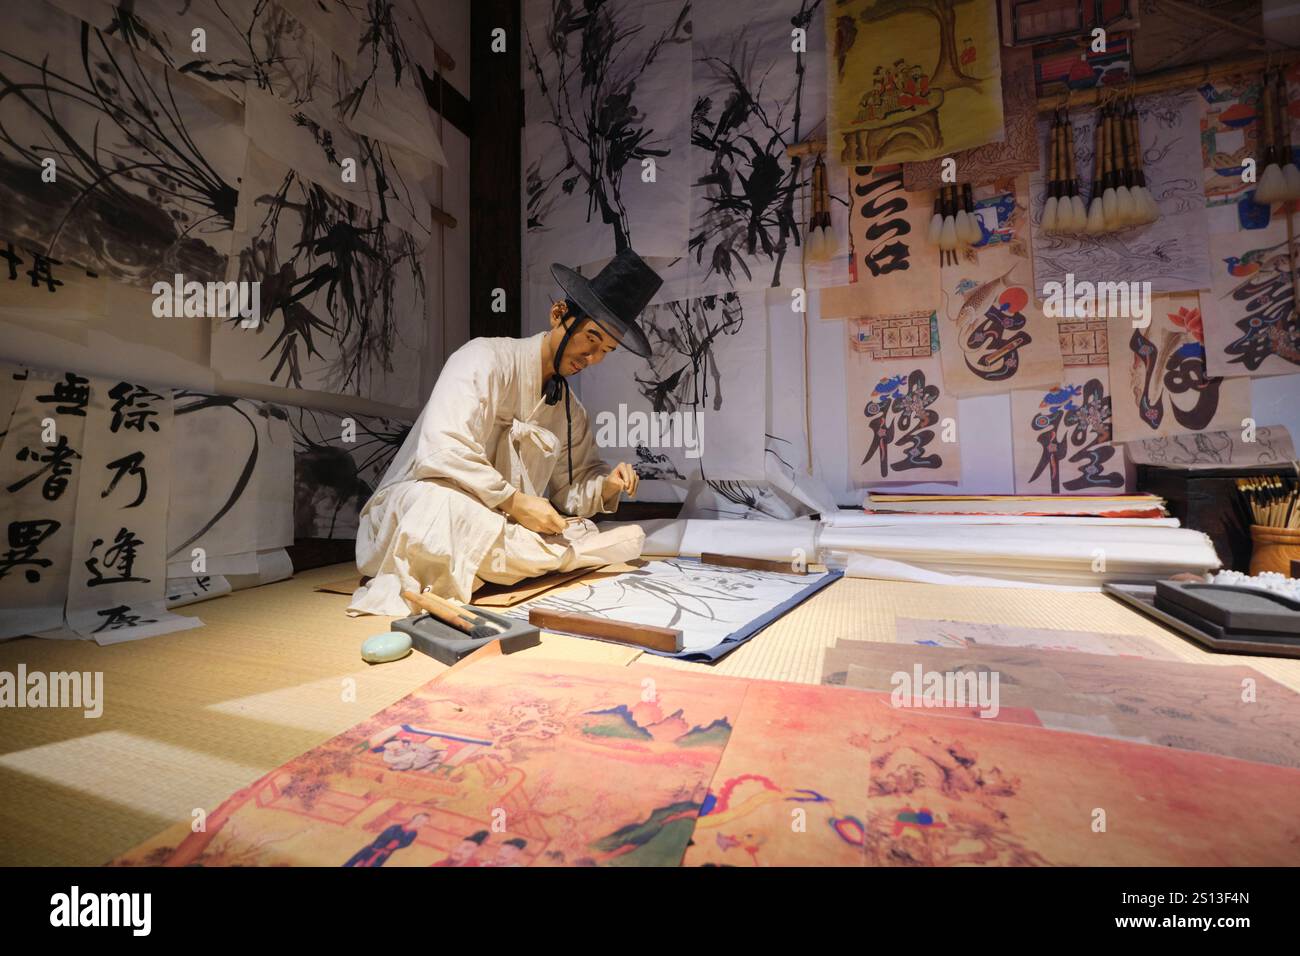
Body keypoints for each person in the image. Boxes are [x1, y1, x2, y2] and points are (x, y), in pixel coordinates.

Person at [349, 250, 663, 616]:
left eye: (605, 350)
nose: (591, 357)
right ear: (559, 314)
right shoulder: (482, 358)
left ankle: (547, 553)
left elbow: (569, 495)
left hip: (500, 523)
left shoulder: (569, 410)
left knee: (576, 528)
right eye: (591, 338)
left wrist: (606, 485)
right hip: (423, 502)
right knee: (438, 509)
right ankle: (560, 557)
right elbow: (441, 449)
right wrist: (514, 501)